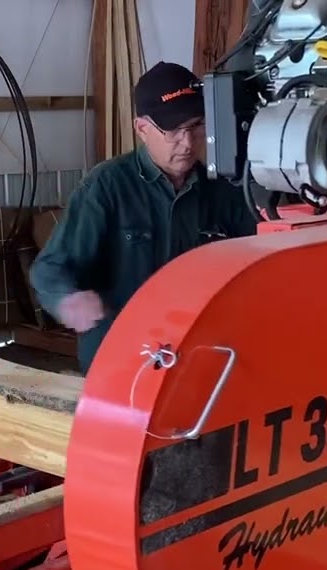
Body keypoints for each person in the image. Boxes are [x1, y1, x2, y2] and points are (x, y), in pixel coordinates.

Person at [29, 61, 258, 374]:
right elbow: (49, 268)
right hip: (119, 363)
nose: (188, 143)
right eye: (173, 131)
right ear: (142, 129)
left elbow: (254, 258)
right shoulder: (106, 187)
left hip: (197, 360)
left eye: (195, 126)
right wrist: (67, 299)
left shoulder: (220, 189)